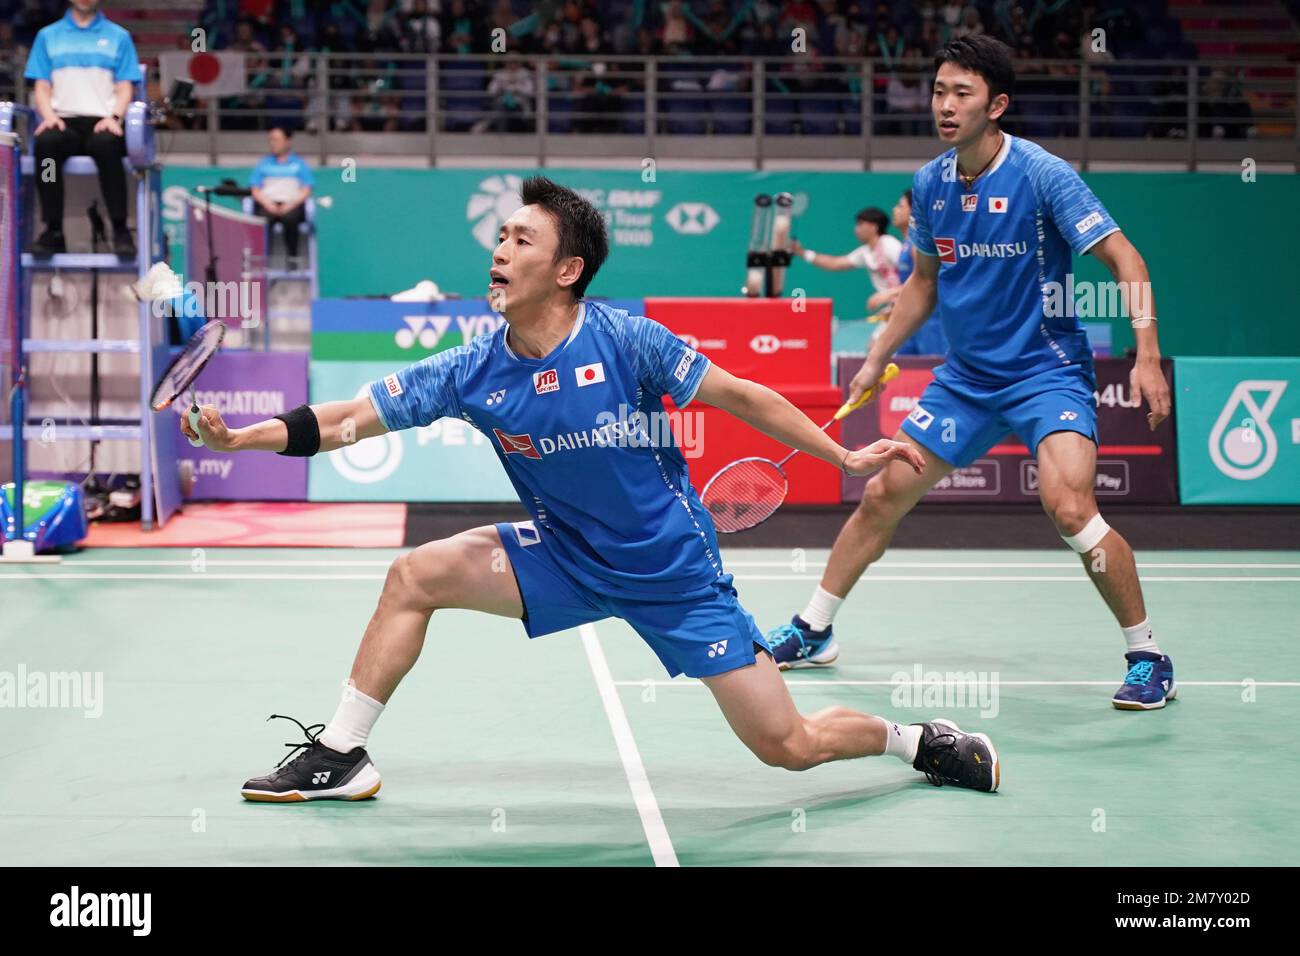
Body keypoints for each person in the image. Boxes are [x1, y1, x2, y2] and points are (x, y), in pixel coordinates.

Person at [182, 176, 1001, 801]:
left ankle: (913, 742)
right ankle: (343, 752)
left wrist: (841, 456)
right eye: (499, 236)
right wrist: (241, 438)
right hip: (565, 557)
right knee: (414, 575)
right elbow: (351, 419)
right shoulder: (474, 368)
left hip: (671, 573)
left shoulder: (627, 342)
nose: (498, 251)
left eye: (521, 240)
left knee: (784, 744)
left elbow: (743, 396)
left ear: (567, 268)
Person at [765, 35, 1177, 713]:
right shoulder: (930, 185)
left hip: (1045, 374)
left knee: (1070, 506)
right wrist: (875, 358)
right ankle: (814, 628)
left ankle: (1148, 654)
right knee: (880, 495)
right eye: (938, 91)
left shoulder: (1044, 176)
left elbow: (1126, 261)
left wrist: (1146, 354)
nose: (946, 105)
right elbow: (922, 285)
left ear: (998, 104)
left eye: (963, 93)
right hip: (966, 380)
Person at [23, 0, 142, 258]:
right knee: (46, 146)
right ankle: (53, 230)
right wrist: (49, 116)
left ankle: (120, 230)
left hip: (102, 121)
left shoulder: (119, 36)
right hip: (63, 121)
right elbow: (41, 88)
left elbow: (125, 88)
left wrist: (114, 117)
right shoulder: (47, 36)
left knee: (107, 145)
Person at [792, 206, 902, 328]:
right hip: (895, 306)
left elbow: (915, 275)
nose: (856, 229)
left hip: (908, 304)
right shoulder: (865, 252)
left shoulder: (890, 245)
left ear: (874, 227)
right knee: (875, 345)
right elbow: (835, 264)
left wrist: (890, 294)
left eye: (860, 224)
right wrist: (802, 252)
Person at [882, 188, 948, 356]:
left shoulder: (917, 245)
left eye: (900, 206)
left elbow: (927, 279)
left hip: (929, 319)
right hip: (910, 320)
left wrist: (890, 293)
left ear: (913, 210)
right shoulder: (906, 243)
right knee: (905, 370)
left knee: (929, 369)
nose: (895, 210)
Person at [249, 126, 314, 260]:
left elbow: (306, 189)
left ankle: (292, 258)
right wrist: (268, 205)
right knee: (261, 221)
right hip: (267, 205)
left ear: (288, 141)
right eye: (270, 140)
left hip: (291, 205)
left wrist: (289, 205)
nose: (273, 143)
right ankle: (261, 259)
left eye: (277, 139)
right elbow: (255, 189)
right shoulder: (263, 164)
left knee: (290, 218)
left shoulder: (299, 164)